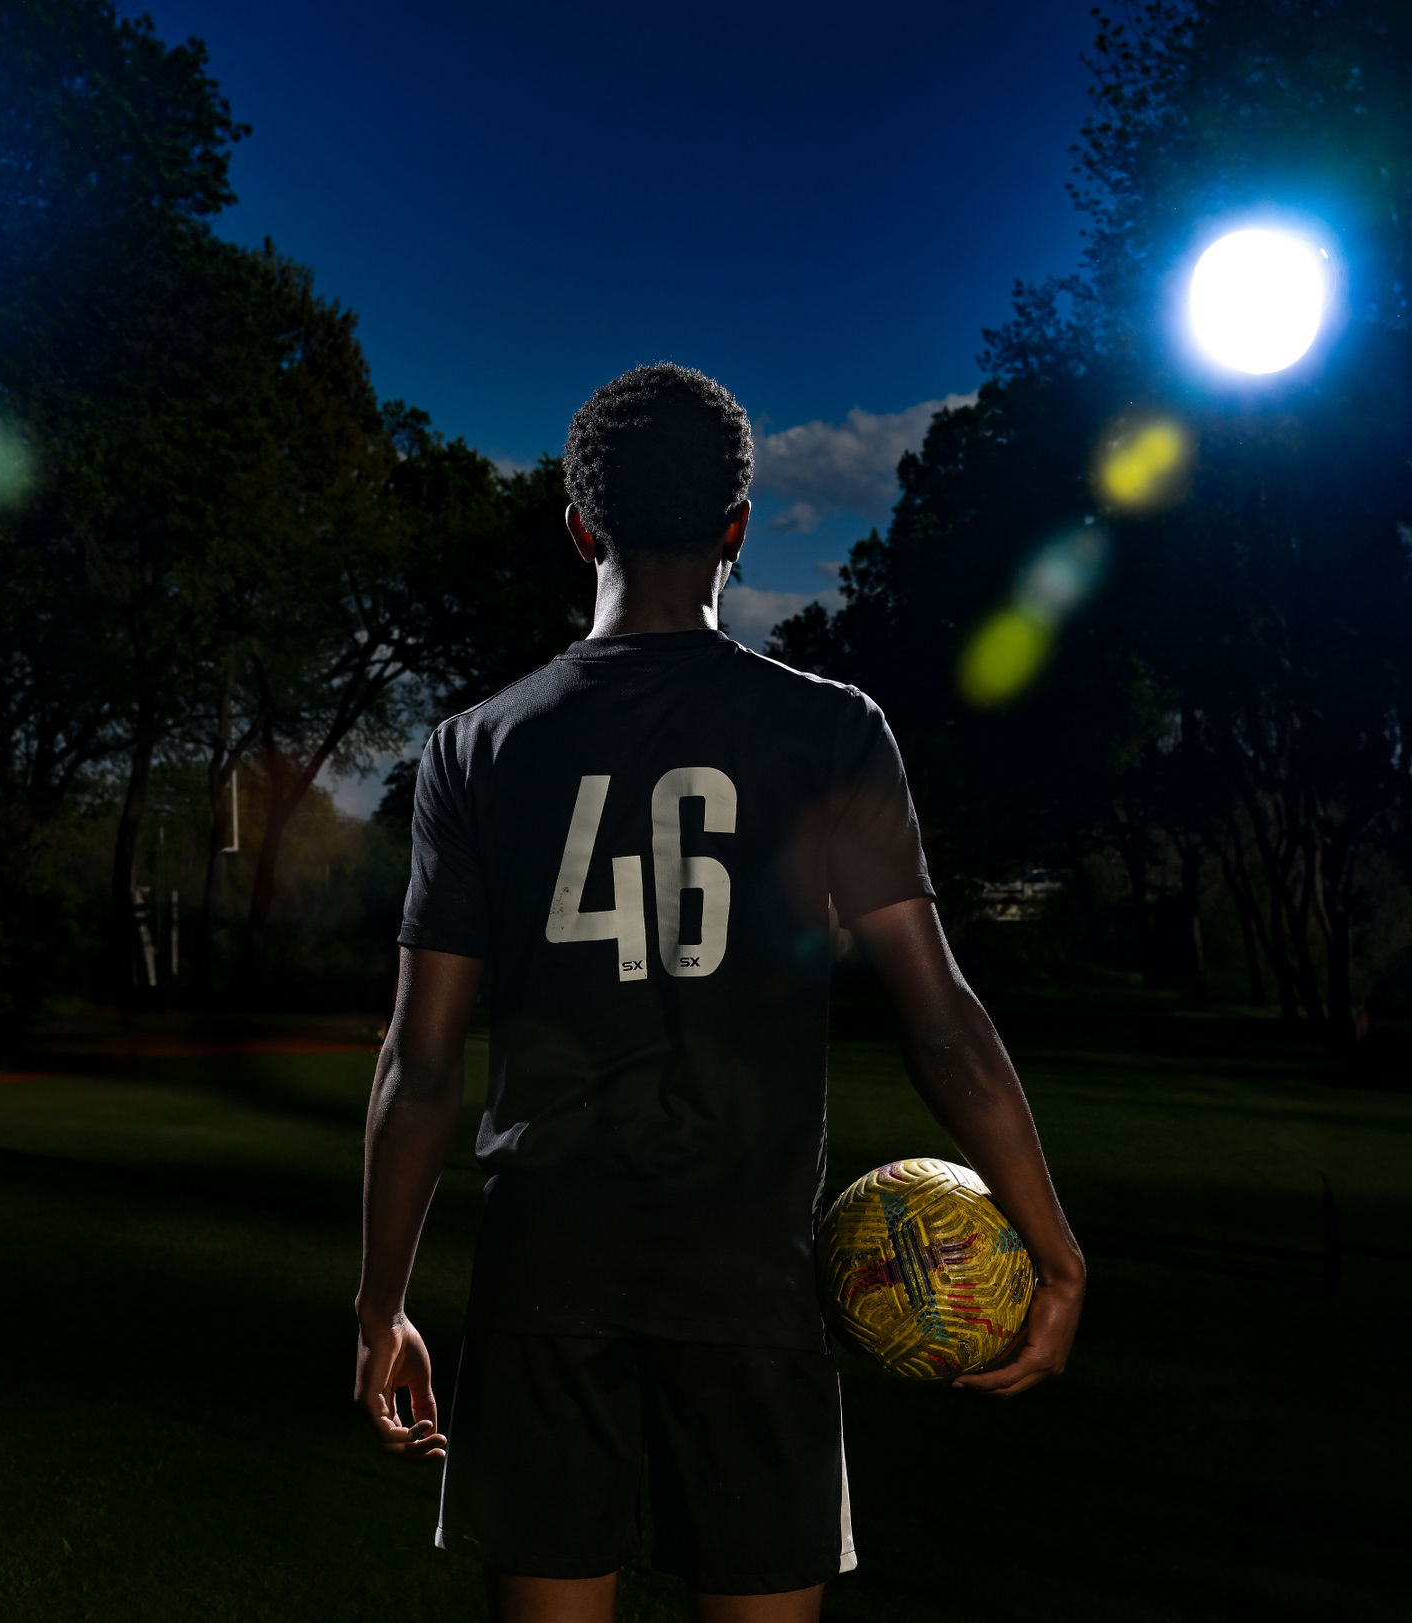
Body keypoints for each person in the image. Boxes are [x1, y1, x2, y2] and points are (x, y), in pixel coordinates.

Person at [354, 363, 1086, 1623]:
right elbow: (942, 1023)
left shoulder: (472, 747)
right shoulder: (833, 730)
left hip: (547, 1282)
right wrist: (1054, 1251)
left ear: (581, 528)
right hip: (749, 1281)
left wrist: (379, 1307)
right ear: (738, 529)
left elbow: (419, 1068)